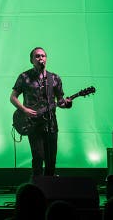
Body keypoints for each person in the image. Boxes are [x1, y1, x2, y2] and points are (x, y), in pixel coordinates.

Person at [9, 47, 72, 177]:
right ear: (31, 60)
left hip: (51, 124)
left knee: (51, 160)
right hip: (33, 124)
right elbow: (13, 97)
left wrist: (67, 104)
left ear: (46, 59)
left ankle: (50, 188)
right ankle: (36, 188)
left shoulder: (54, 78)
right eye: (37, 56)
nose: (40, 58)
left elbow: (60, 102)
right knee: (38, 157)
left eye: (43, 56)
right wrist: (25, 110)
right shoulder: (24, 77)